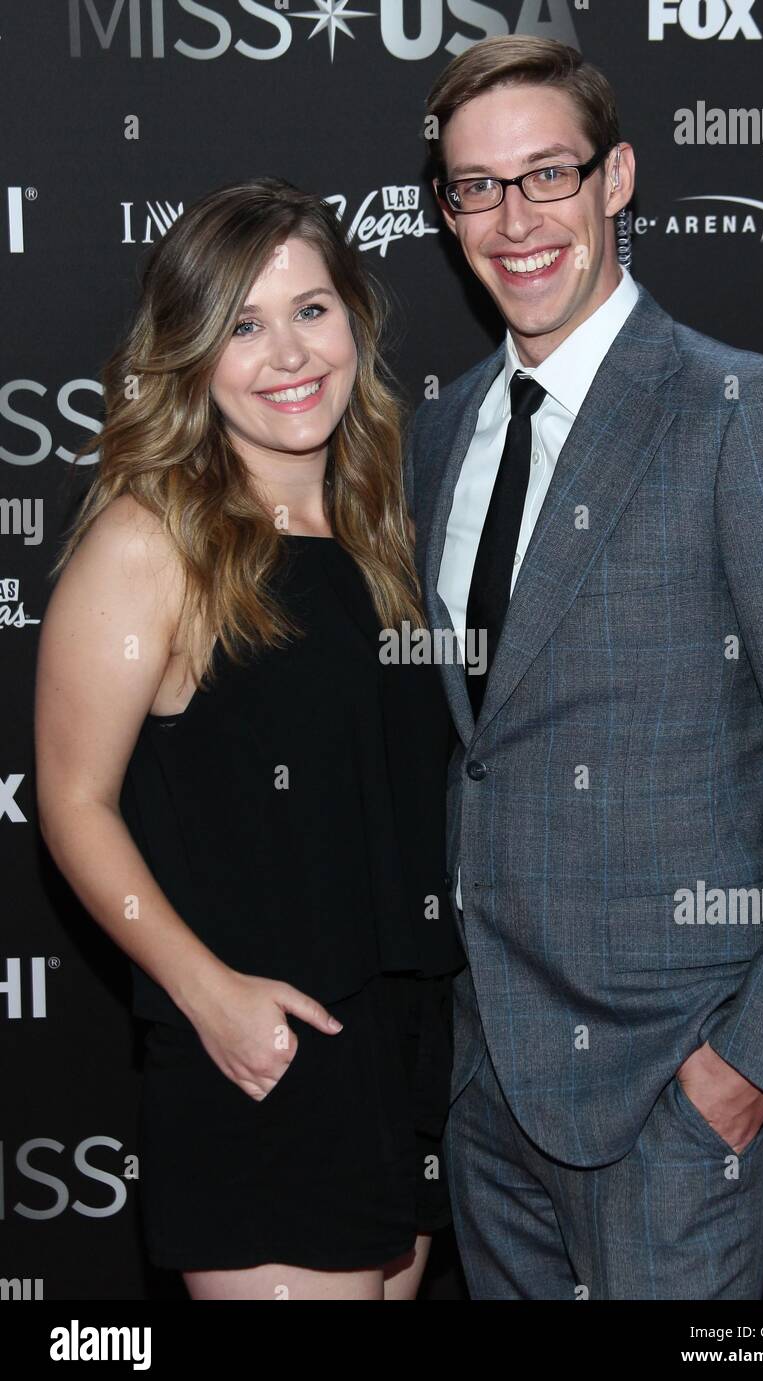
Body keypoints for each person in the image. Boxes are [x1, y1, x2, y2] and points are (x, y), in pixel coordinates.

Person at [403, 35, 763, 1299]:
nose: (514, 219)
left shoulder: (737, 414)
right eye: (475, 188)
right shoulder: (440, 431)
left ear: (616, 180)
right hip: (482, 1081)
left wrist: (750, 1067)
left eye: (545, 173)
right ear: (445, 210)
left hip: (670, 1092)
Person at [34, 176, 465, 1301]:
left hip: (404, 1042)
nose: (289, 353)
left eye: (311, 309)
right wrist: (206, 991)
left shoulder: (388, 530)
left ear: (355, 320)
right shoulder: (152, 541)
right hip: (257, 1058)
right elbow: (72, 797)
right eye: (244, 324)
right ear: (191, 355)